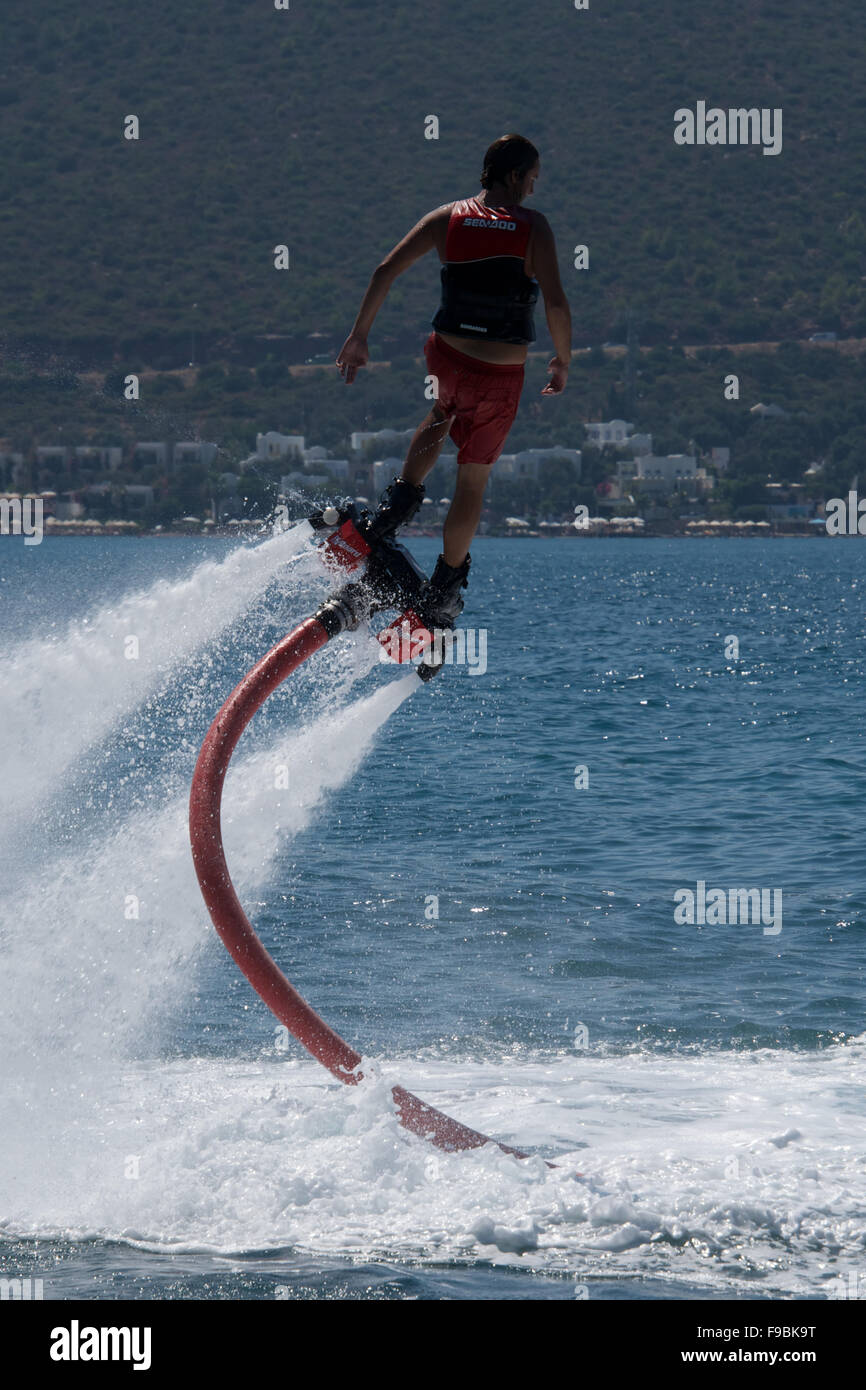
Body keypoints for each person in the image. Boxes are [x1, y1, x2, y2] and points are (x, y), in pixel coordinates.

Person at [335, 133, 572, 625]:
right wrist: (561, 360)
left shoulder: (447, 218)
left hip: (446, 357)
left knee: (442, 412)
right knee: (473, 477)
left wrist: (358, 338)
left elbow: (384, 270)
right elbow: (555, 300)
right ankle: (444, 585)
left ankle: (390, 515)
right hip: (500, 374)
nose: (533, 188)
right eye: (531, 179)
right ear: (514, 176)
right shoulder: (534, 228)